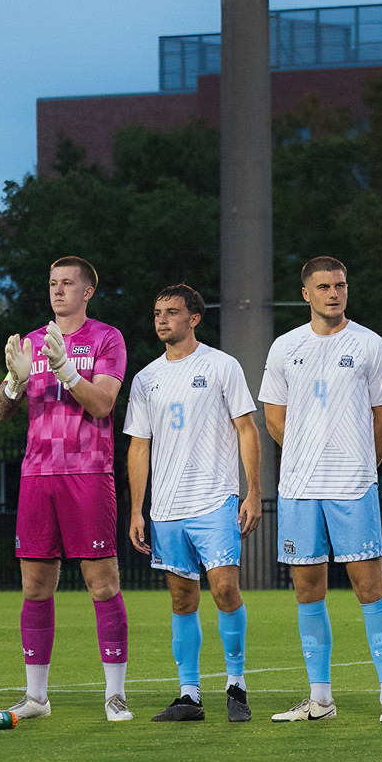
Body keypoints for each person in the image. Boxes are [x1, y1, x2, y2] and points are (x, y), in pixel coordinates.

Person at [260, 257, 382, 723]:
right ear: (306, 293)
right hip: (299, 488)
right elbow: (274, 418)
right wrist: (307, 454)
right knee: (307, 591)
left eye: (340, 285)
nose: (333, 293)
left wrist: (362, 462)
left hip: (352, 486)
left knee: (370, 588)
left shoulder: (370, 345)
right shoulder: (285, 347)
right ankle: (320, 699)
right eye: (323, 286)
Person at [0, 257, 131, 721]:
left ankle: (115, 694)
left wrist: (67, 371)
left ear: (87, 291)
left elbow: (104, 403)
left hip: (88, 473)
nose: (58, 290)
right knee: (34, 587)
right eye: (53, 283)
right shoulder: (30, 341)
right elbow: (0, 411)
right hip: (36, 475)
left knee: (102, 583)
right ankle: (36, 698)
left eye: (68, 283)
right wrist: (13, 382)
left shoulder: (107, 338)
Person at [126, 285, 260, 723]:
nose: (162, 320)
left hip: (214, 500)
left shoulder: (222, 366)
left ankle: (236, 684)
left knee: (224, 590)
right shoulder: (146, 378)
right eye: (157, 312)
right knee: (182, 600)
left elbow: (247, 429)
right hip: (166, 509)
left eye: (172, 312)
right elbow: (139, 446)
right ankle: (189, 695)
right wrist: (136, 509)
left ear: (194, 318)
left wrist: (252, 490)